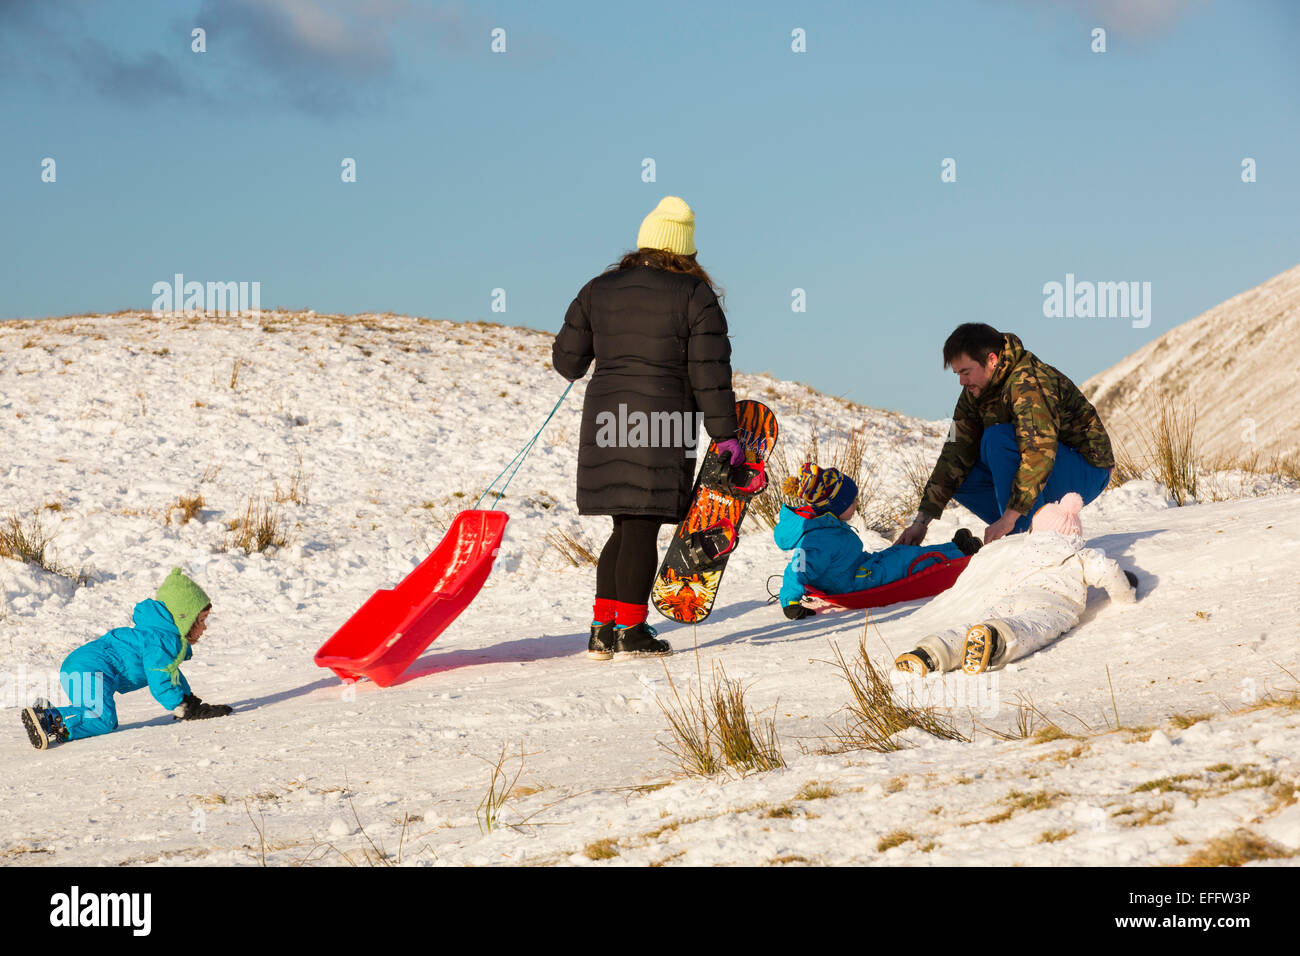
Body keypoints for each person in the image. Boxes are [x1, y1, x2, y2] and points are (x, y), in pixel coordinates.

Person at [552, 196, 745, 660]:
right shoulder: (694, 296)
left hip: (607, 421)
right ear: (686, 250)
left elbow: (567, 362)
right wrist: (726, 434)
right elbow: (708, 372)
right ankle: (632, 630)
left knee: (626, 525)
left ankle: (604, 627)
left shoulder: (599, 289)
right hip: (664, 420)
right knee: (639, 528)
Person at [896, 323, 1113, 548]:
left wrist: (1009, 517)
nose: (962, 381)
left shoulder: (1028, 381)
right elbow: (954, 453)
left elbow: (1039, 451)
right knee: (958, 474)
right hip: (1043, 472)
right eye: (957, 374)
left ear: (991, 360)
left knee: (997, 438)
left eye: (966, 372)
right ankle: (1025, 530)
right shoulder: (974, 392)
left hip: (1086, 469)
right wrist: (921, 521)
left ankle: (1022, 536)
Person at [893, 493, 1138, 676]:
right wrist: (1125, 595)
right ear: (1074, 535)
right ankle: (996, 639)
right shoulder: (1078, 554)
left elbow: (1005, 580)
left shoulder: (1025, 553)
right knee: (1029, 627)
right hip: (1052, 606)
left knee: (969, 628)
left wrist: (994, 604)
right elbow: (1108, 570)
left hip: (1010, 599)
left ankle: (929, 653)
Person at [20, 568, 234, 750]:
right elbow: (160, 678)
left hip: (82, 665)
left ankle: (54, 718)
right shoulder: (162, 640)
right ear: (184, 617)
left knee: (93, 713)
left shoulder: (158, 636)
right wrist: (185, 708)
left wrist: (190, 702)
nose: (205, 627)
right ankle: (48, 719)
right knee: (103, 719)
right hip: (91, 668)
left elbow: (171, 672)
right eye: (203, 620)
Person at [774, 464, 980, 619]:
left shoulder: (825, 523)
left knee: (898, 553)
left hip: (860, 567)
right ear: (836, 506)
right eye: (852, 501)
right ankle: (961, 555)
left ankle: (954, 547)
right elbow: (797, 567)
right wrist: (790, 602)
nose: (856, 503)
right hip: (855, 583)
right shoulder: (817, 538)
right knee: (903, 561)